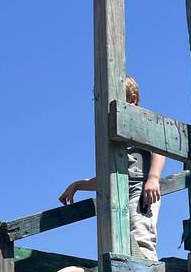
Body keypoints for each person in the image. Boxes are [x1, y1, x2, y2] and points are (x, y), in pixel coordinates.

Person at [58, 75, 167, 261]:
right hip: (118, 199)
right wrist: (78, 185)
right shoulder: (112, 137)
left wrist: (153, 178)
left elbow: (159, 149)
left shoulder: (139, 120)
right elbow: (108, 176)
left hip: (140, 193)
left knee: (140, 237)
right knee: (118, 243)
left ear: (132, 99)